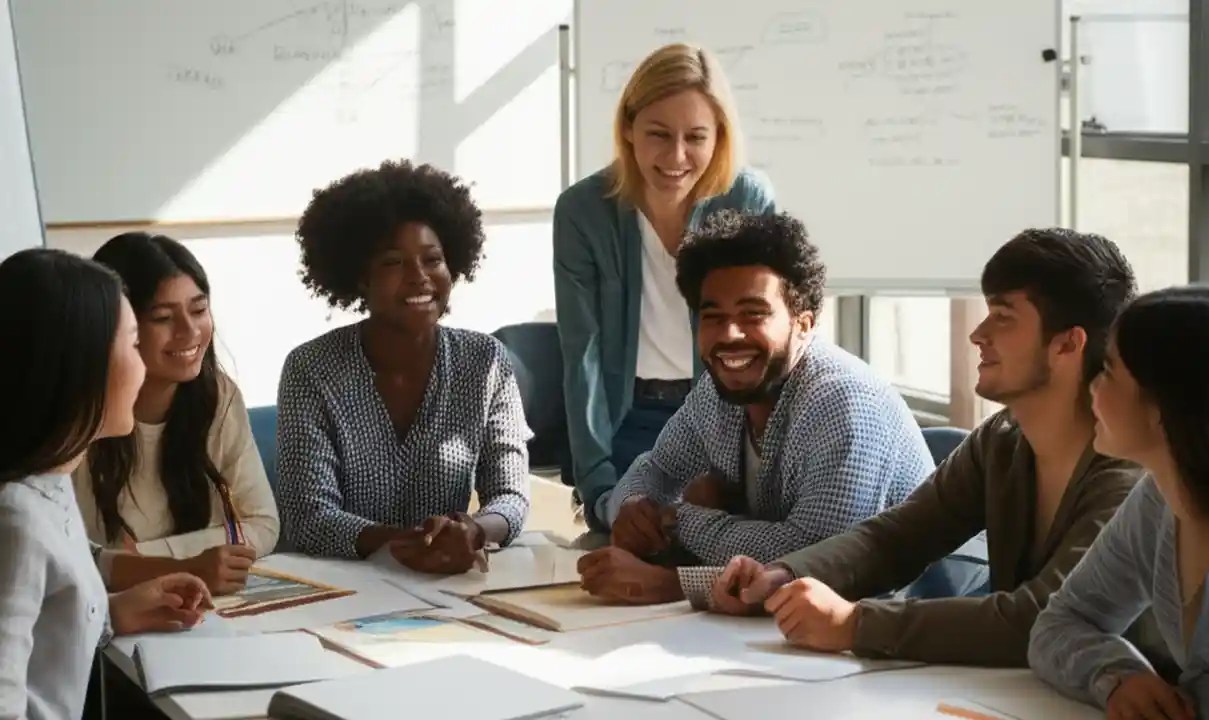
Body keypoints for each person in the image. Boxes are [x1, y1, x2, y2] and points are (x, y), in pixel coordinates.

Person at [710, 228, 1160, 669]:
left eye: (1003, 317)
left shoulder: (1129, 474)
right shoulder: (1003, 439)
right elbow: (897, 537)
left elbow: (1041, 617)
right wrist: (783, 577)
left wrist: (857, 625)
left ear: (1067, 344)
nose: (978, 334)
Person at [576, 211, 933, 605]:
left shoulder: (843, 404)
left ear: (804, 324)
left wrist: (678, 527)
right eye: (713, 317)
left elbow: (817, 558)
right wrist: (633, 508)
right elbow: (657, 468)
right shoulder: (719, 391)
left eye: (753, 315)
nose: (729, 335)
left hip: (907, 624)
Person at [1029, 286, 1209, 720]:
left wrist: (1204, 696)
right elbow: (1059, 623)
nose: (1092, 386)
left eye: (1108, 371)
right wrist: (1117, 677)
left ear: (1163, 405)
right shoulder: (1156, 503)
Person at [554, 42, 776, 531]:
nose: (676, 156)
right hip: (627, 420)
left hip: (724, 415)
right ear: (629, 129)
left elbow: (769, 334)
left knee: (712, 555)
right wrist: (599, 487)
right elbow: (581, 354)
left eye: (696, 136)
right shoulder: (582, 211)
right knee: (631, 553)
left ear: (719, 136)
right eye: (658, 134)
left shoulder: (747, 198)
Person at [277, 159, 531, 573]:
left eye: (432, 259)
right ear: (361, 278)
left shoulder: (486, 362)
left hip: (447, 585)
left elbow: (511, 496)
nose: (419, 278)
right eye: (394, 263)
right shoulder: (312, 368)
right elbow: (309, 519)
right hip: (344, 585)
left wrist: (474, 531)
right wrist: (409, 543)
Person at [0, 248, 212, 720]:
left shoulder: (51, 485)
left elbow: (43, 631)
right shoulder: (15, 520)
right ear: (81, 365)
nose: (144, 368)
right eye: (134, 345)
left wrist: (113, 611)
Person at [72, 232, 277, 595]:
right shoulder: (79, 418)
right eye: (163, 317)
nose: (189, 331)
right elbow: (74, 557)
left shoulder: (219, 396)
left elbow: (262, 523)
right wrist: (186, 563)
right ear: (120, 328)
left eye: (199, 310)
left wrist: (159, 560)